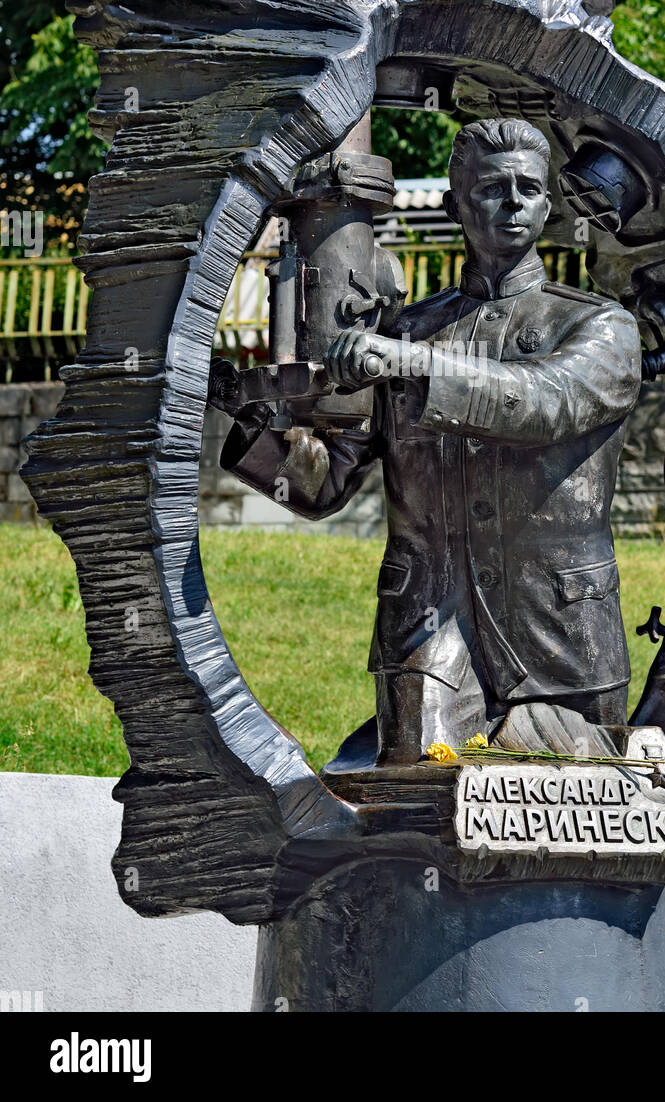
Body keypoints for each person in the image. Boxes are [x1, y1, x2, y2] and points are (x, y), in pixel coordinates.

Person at [221, 119, 642, 762]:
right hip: (430, 628)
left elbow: (538, 401)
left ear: (550, 206)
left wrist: (407, 362)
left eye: (528, 188)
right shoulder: (411, 331)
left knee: (564, 815)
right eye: (491, 188)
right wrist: (246, 417)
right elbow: (324, 484)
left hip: (561, 641)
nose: (511, 202)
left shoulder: (600, 328)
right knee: (414, 802)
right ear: (454, 204)